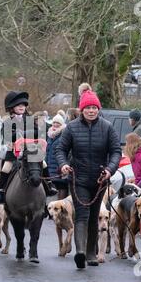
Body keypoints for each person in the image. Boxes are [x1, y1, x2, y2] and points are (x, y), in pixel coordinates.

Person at [55, 89, 121, 269]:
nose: (91, 111)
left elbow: (116, 151)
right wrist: (63, 165)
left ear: (98, 109)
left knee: (94, 216)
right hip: (79, 179)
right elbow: (61, 149)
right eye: (88, 108)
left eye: (94, 107)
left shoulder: (107, 127)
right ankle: (81, 252)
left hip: (100, 180)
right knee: (82, 215)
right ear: (82, 109)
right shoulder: (72, 127)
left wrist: (110, 169)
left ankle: (91, 253)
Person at [0, 91, 57, 205]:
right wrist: (18, 134)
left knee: (43, 164)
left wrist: (23, 133)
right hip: (14, 151)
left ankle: (49, 185)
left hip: (30, 150)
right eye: (19, 105)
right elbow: (7, 137)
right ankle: (1, 191)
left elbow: (38, 133)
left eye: (23, 105)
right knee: (6, 168)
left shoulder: (29, 119)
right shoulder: (7, 122)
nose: (22, 107)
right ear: (11, 108)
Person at [46, 114, 68, 199]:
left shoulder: (64, 134)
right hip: (50, 166)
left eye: (58, 123)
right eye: (54, 122)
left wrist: (62, 166)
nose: (55, 124)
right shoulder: (50, 135)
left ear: (61, 124)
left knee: (62, 186)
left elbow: (65, 152)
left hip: (59, 166)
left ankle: (62, 207)